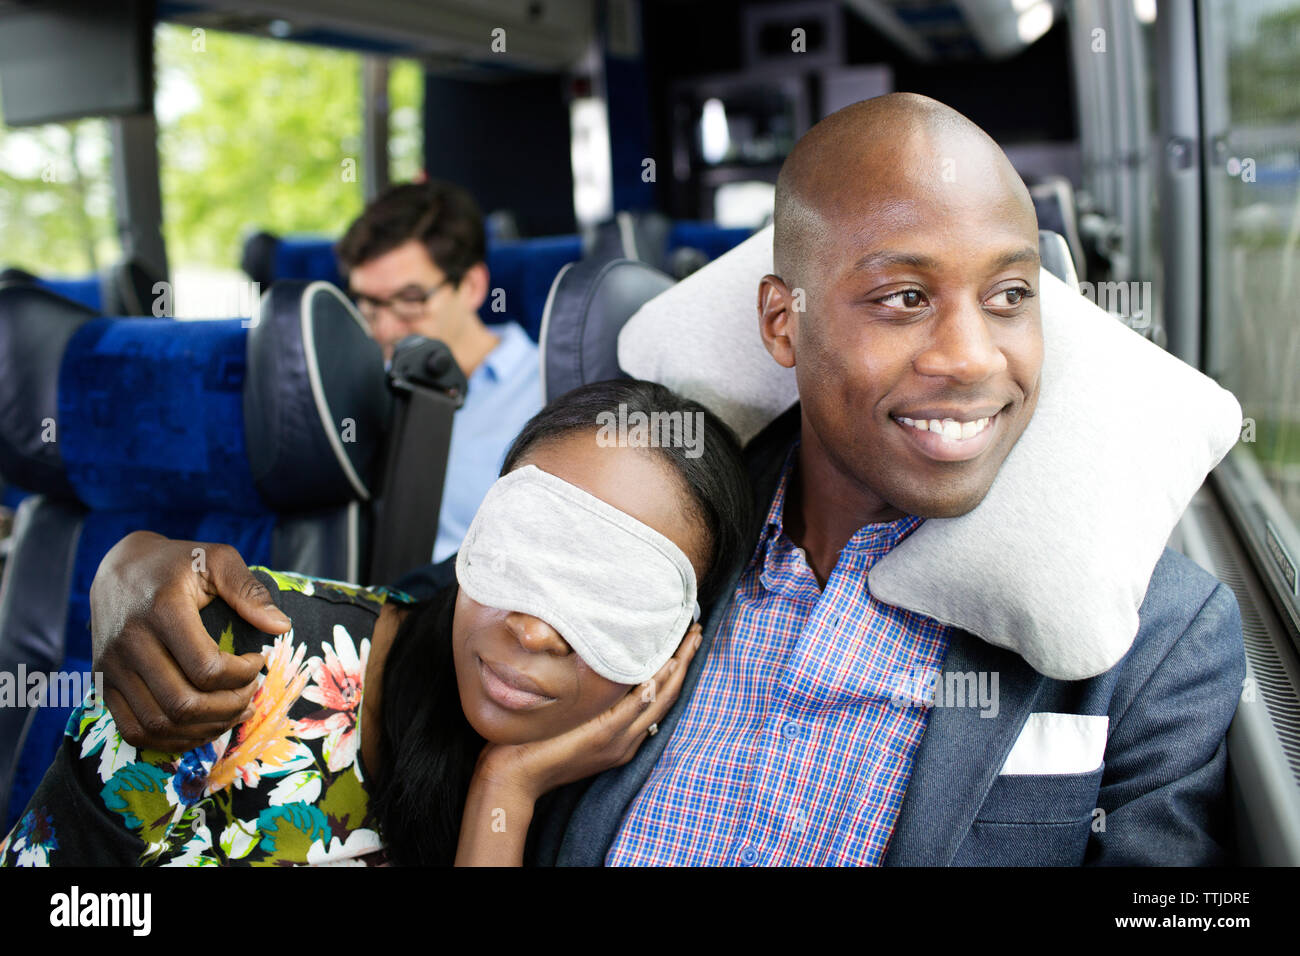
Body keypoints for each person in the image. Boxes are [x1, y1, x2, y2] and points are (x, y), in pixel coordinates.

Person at [86, 94, 1245, 866]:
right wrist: (142, 569)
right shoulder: (680, 509)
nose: (972, 358)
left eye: (1008, 296)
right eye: (902, 297)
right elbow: (426, 616)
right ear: (781, 325)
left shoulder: (1152, 638)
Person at [0, 380, 752, 866]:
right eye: (533, 550)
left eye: (612, 596)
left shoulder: (614, 804)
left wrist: (505, 793)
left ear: (678, 649)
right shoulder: (241, 655)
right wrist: (127, 556)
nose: (535, 631)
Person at [336, 180, 543, 562]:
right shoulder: (357, 388)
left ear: (471, 286)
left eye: (410, 300)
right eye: (368, 303)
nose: (384, 328)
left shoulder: (551, 388)